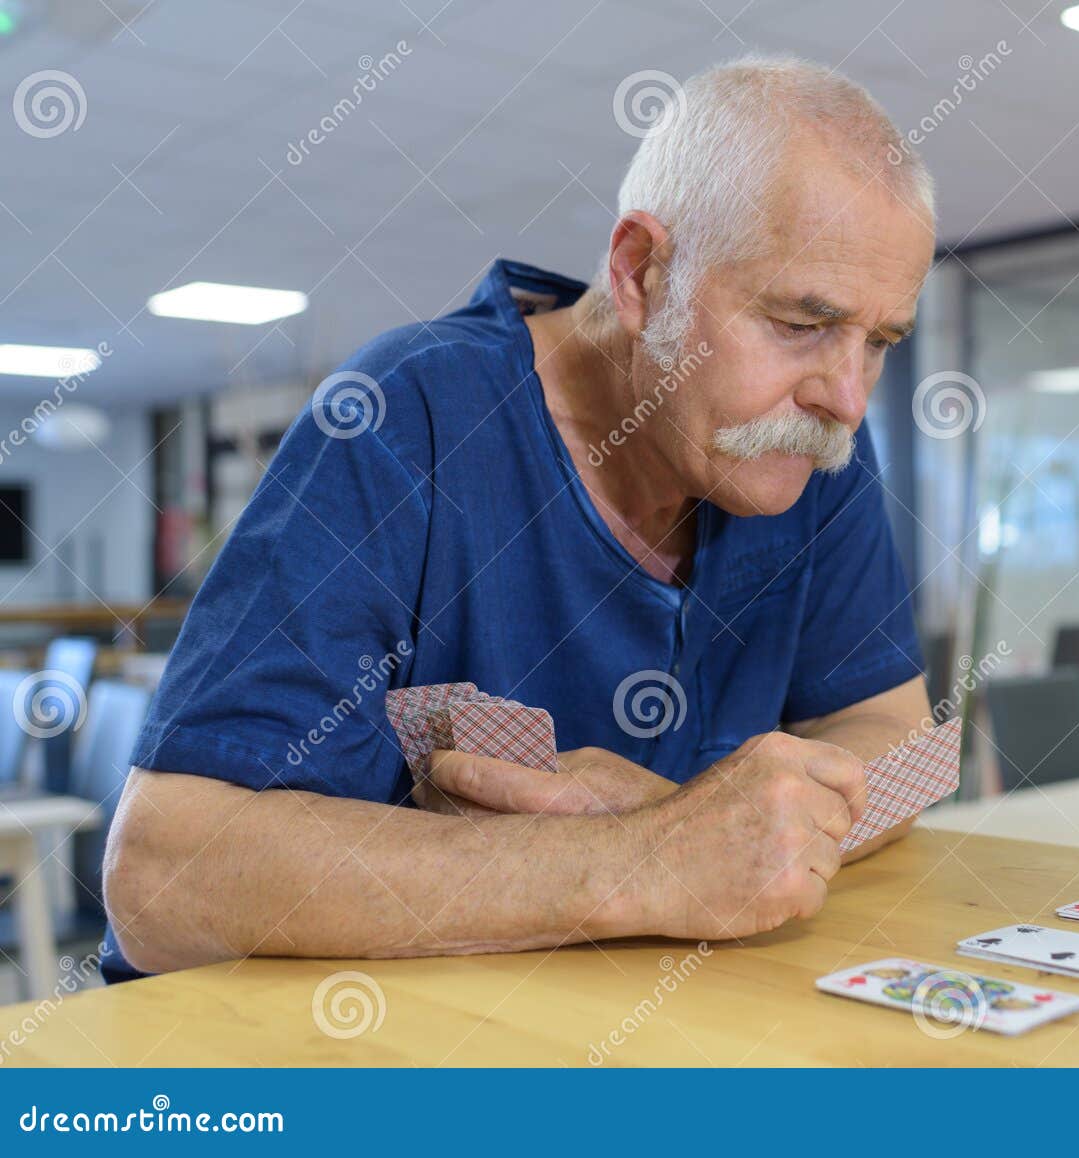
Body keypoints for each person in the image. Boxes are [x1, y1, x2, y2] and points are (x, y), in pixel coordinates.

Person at [103, 55, 938, 978]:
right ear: (639, 273)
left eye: (880, 342)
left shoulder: (805, 453)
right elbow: (165, 875)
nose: (847, 395)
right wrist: (651, 856)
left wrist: (681, 817)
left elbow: (902, 745)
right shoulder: (406, 414)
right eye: (800, 323)